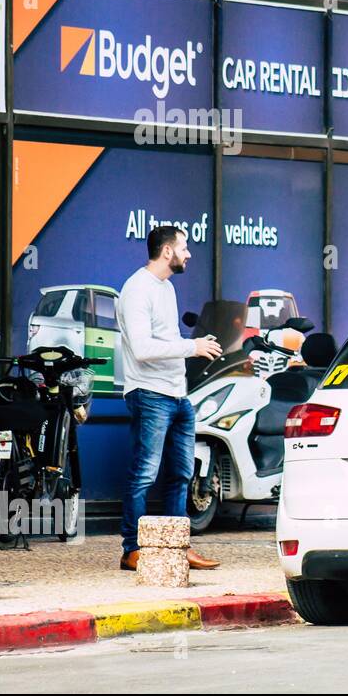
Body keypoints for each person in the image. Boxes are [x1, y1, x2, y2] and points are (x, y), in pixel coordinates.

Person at [117, 226, 224, 572]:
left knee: (180, 474)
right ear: (167, 251)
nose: (188, 253)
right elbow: (143, 347)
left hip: (178, 395)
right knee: (144, 475)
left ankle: (178, 547)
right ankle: (132, 549)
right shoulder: (136, 289)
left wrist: (189, 348)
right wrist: (191, 347)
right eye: (184, 247)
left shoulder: (167, 287)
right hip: (149, 394)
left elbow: (167, 338)